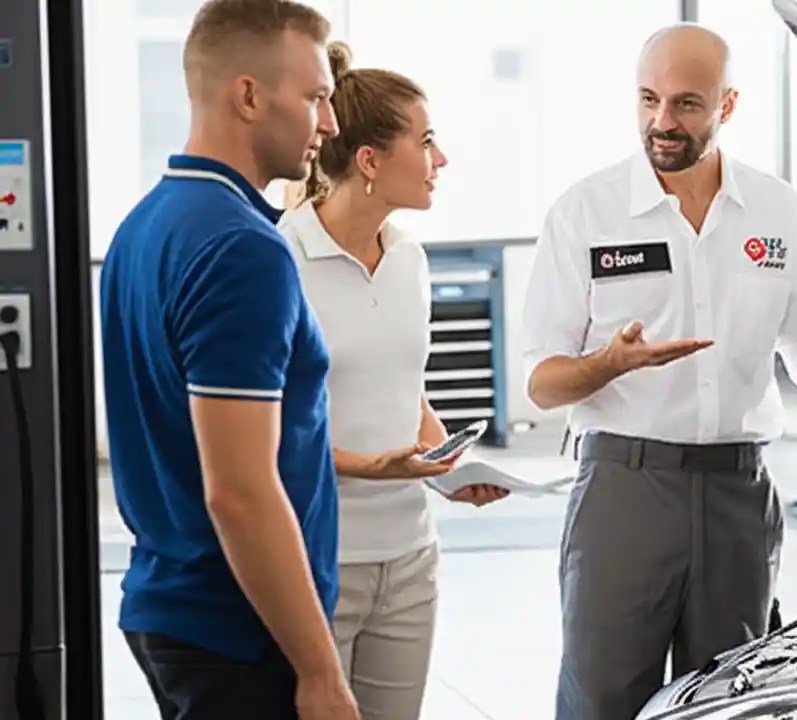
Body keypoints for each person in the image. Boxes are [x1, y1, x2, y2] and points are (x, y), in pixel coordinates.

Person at [520, 23, 797, 719]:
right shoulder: (585, 213)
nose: (661, 121)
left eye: (685, 104)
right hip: (625, 489)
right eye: (648, 99)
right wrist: (608, 364)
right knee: (602, 699)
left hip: (739, 492)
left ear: (727, 107)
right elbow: (542, 381)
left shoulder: (777, 212)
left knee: (737, 702)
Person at [99, 1, 359, 717]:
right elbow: (239, 492)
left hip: (173, 603)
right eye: (315, 97)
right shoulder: (243, 249)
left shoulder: (144, 226)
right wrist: (320, 672)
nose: (329, 124)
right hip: (238, 631)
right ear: (248, 95)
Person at [276, 41, 510, 719]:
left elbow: (406, 391)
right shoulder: (282, 257)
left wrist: (448, 469)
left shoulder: (410, 259)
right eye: (427, 141)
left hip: (410, 560)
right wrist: (367, 466)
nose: (441, 159)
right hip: (319, 560)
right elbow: (262, 433)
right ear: (370, 161)